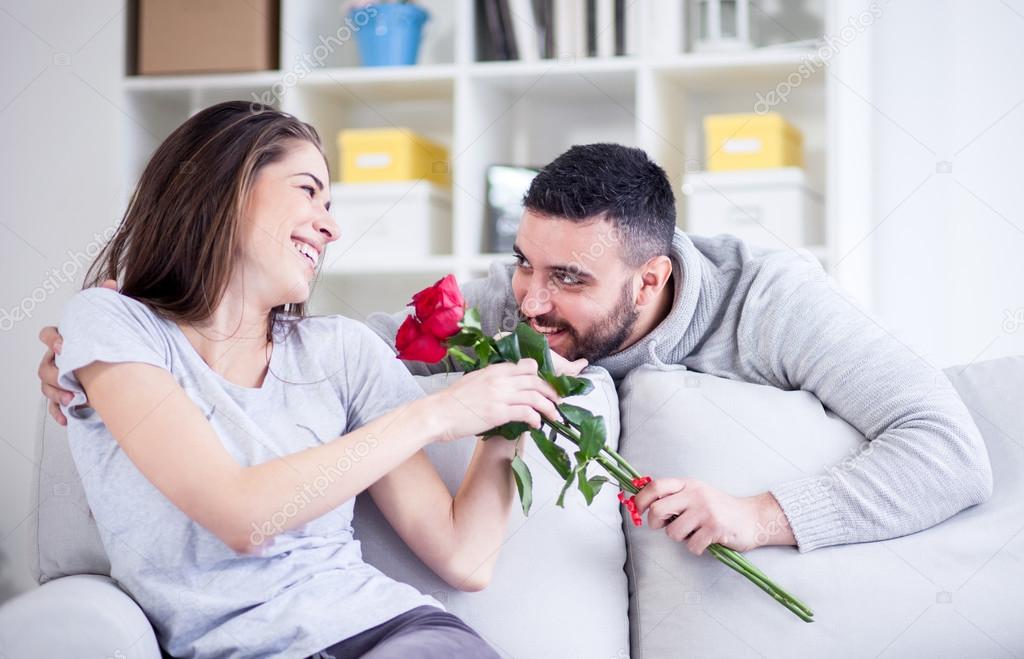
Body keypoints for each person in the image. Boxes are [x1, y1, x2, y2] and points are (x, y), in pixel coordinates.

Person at [39, 142, 993, 564]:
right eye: (522, 263)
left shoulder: (775, 300)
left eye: (570, 281)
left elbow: (947, 447)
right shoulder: (509, 304)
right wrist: (142, 342)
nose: (530, 301)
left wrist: (757, 512)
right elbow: (327, 348)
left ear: (652, 280)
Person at [37, 101, 566, 659]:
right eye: (308, 190)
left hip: (400, 634)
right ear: (224, 185)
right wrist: (433, 415)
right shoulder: (114, 325)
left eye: (331, 203)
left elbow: (466, 556)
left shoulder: (342, 351)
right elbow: (241, 515)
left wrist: (513, 408)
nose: (332, 225)